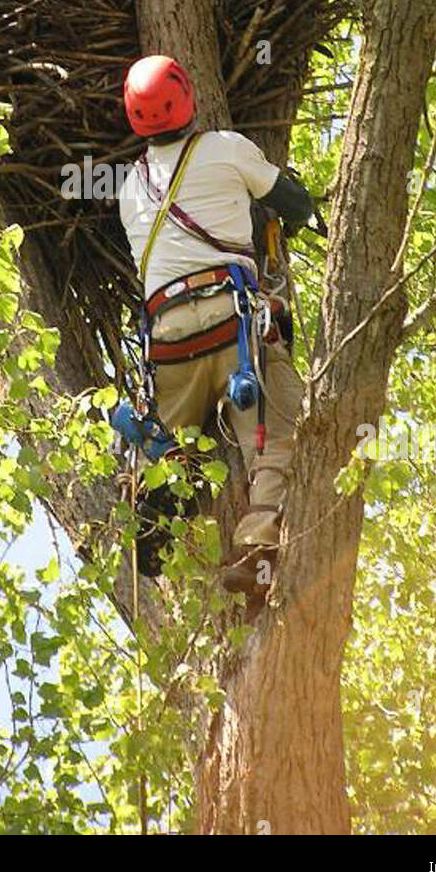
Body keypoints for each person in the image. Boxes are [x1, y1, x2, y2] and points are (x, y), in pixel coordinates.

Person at [117, 54, 316, 595]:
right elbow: (296, 204)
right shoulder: (226, 148)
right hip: (234, 326)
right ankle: (258, 545)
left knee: (173, 450)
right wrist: (263, 219)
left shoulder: (127, 189)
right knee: (278, 432)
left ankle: (154, 522)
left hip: (168, 342)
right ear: (188, 98)